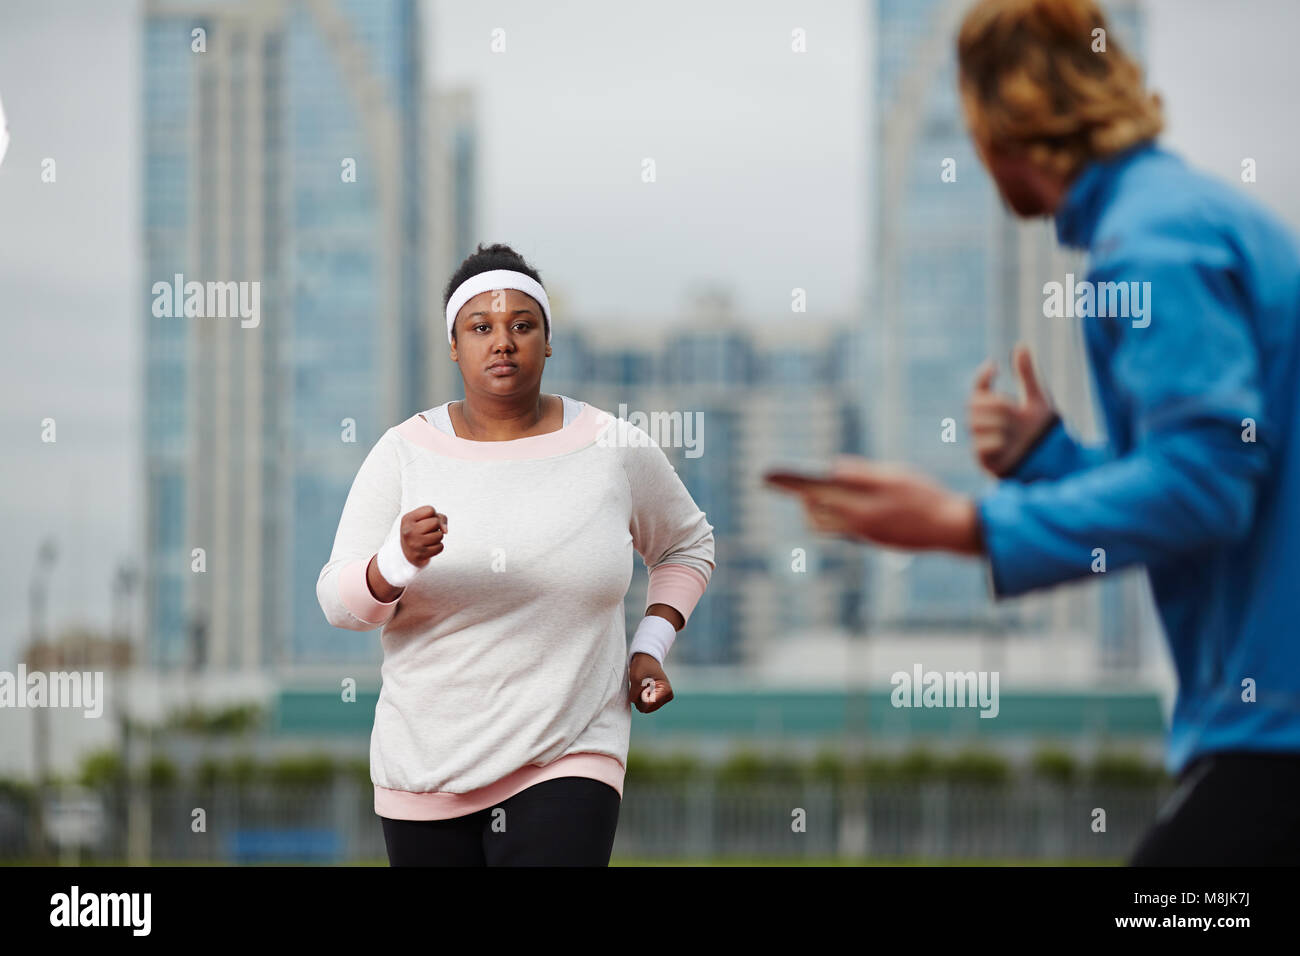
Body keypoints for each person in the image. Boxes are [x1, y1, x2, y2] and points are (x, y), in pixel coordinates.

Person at [769, 0, 1300, 865]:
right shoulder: (1188, 217)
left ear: (1000, 122)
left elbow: (1209, 485)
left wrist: (964, 524)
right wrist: (1051, 462)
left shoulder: (1151, 243)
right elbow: (1220, 472)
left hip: (1275, 735)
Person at [317, 242, 715, 866]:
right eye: (481, 328)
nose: (502, 342)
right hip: (425, 768)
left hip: (570, 754)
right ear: (454, 346)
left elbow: (687, 545)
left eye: (521, 326)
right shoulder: (402, 453)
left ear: (548, 341)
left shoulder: (613, 448)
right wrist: (393, 562)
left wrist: (649, 649)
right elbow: (341, 605)